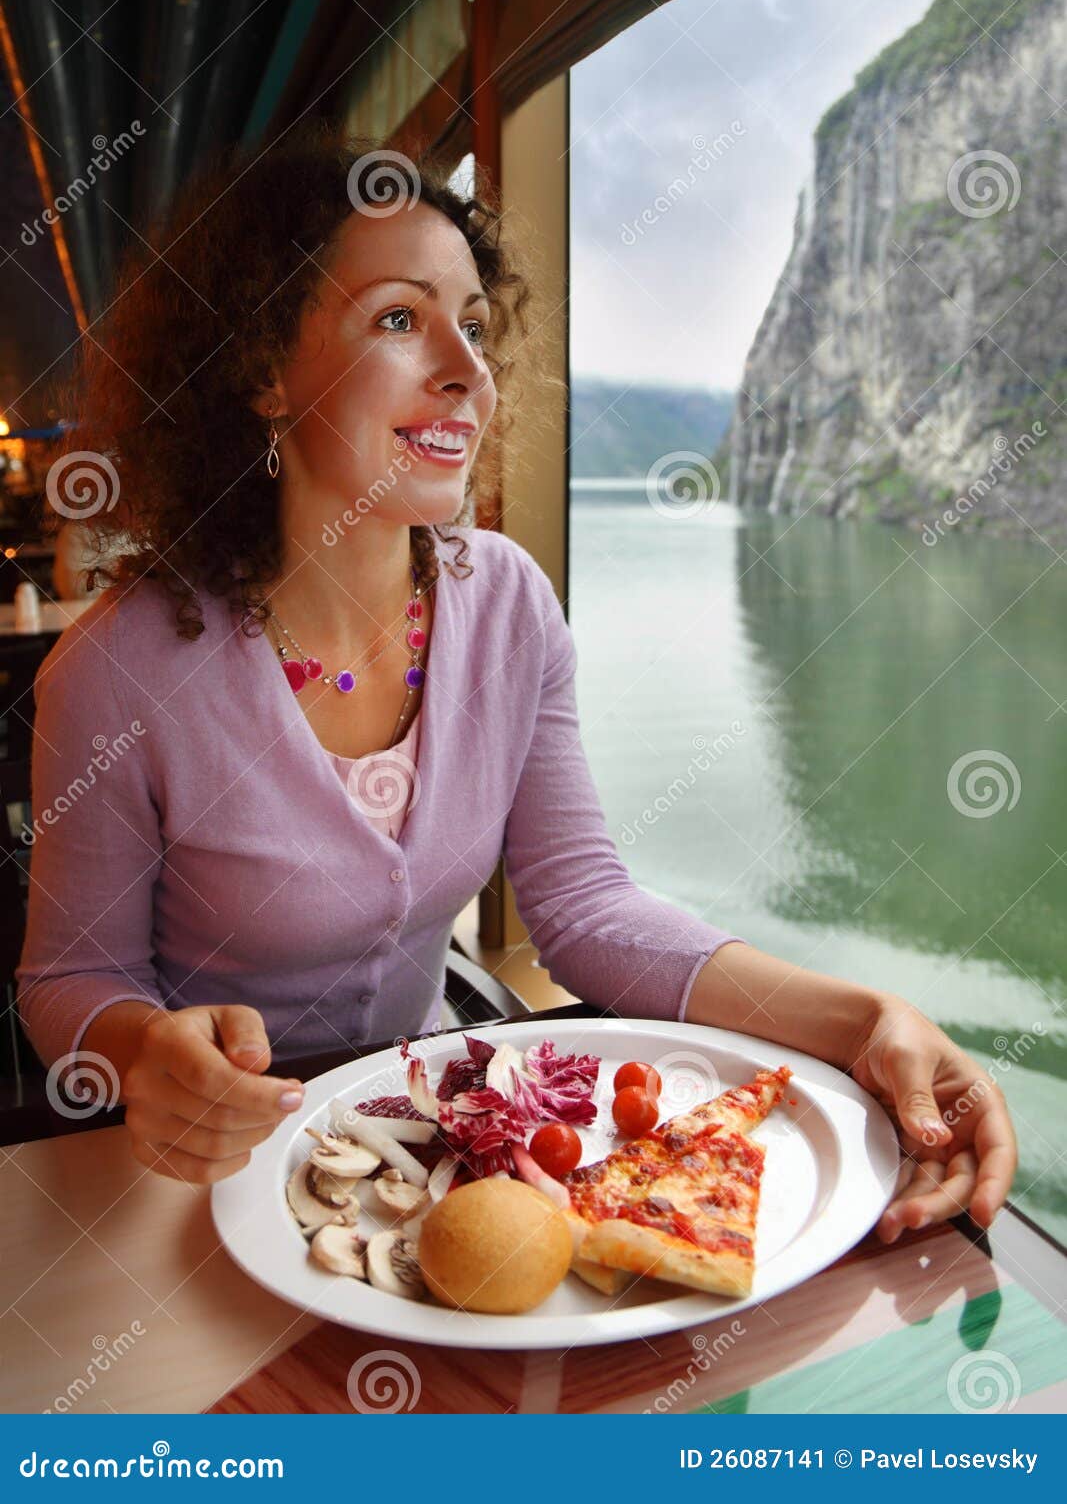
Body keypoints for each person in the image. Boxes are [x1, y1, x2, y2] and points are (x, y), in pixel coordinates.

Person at [16, 123, 1015, 1247]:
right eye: (400, 318)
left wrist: (866, 1017)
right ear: (259, 370)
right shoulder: (115, 670)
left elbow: (584, 908)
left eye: (476, 327)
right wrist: (141, 1052)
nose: (465, 367)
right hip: (192, 1194)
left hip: (410, 1168)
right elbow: (69, 976)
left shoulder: (506, 602)